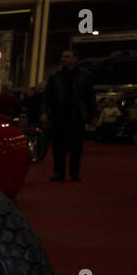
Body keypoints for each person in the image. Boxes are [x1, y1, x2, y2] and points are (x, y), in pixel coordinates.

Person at [43, 50, 97, 181]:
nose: (64, 59)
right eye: (63, 56)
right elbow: (46, 97)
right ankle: (58, 173)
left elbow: (91, 97)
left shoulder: (85, 76)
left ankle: (74, 172)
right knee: (58, 147)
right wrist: (43, 112)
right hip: (59, 116)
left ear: (75, 58)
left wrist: (92, 115)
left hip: (77, 116)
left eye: (67, 56)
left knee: (77, 147)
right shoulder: (55, 77)